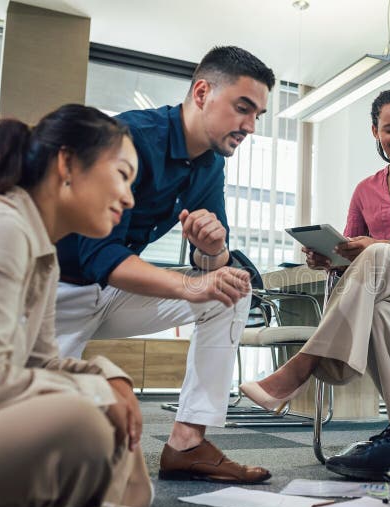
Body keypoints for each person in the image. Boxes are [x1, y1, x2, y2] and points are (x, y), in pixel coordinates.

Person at [54, 46, 275, 483]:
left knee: (230, 287)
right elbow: (100, 256)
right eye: (243, 109)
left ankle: (187, 443)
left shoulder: (211, 162)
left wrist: (211, 250)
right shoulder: (129, 138)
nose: (249, 126)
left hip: (111, 293)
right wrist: (190, 286)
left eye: (257, 116)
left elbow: (212, 259)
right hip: (54, 294)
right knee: (36, 437)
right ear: (202, 92)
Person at [239, 88, 390, 478]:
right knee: (383, 309)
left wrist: (385, 246)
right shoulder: (364, 189)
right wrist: (329, 260)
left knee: (377, 256)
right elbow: (351, 255)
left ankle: (301, 367)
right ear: (376, 132)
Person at [0, 105, 158, 507]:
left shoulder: (40, 249)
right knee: (80, 427)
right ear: (68, 164)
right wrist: (94, 391)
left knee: (110, 409)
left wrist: (108, 378)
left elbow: (38, 362)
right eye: (123, 175)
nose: (130, 198)